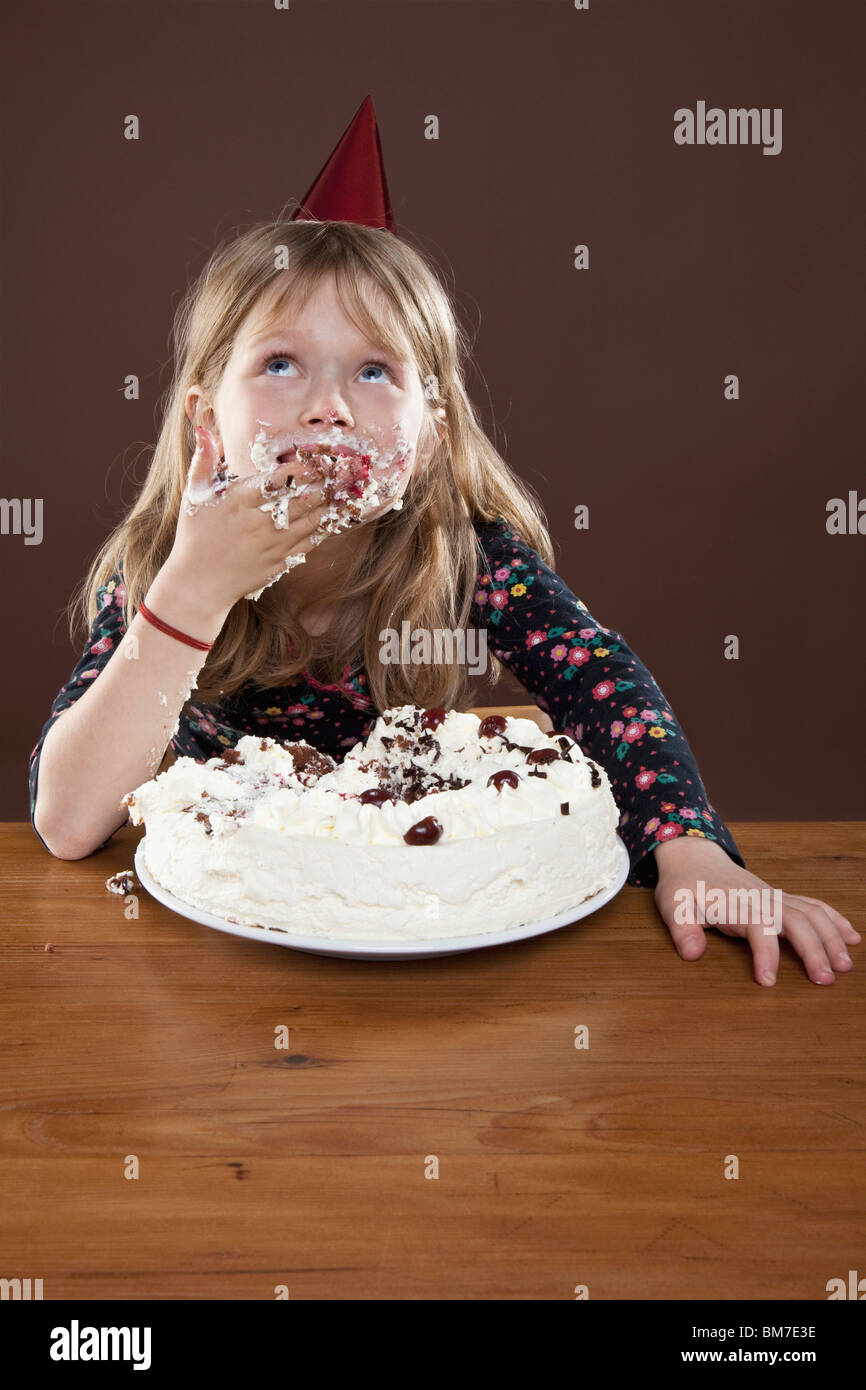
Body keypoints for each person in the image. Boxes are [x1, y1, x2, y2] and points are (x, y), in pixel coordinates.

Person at [28, 218, 859, 988]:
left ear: (431, 430)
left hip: (429, 930)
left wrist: (689, 849)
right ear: (207, 418)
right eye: (280, 364)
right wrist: (192, 593)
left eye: (373, 370)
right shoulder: (158, 571)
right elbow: (67, 823)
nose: (328, 406)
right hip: (217, 953)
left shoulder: (466, 557)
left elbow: (603, 688)